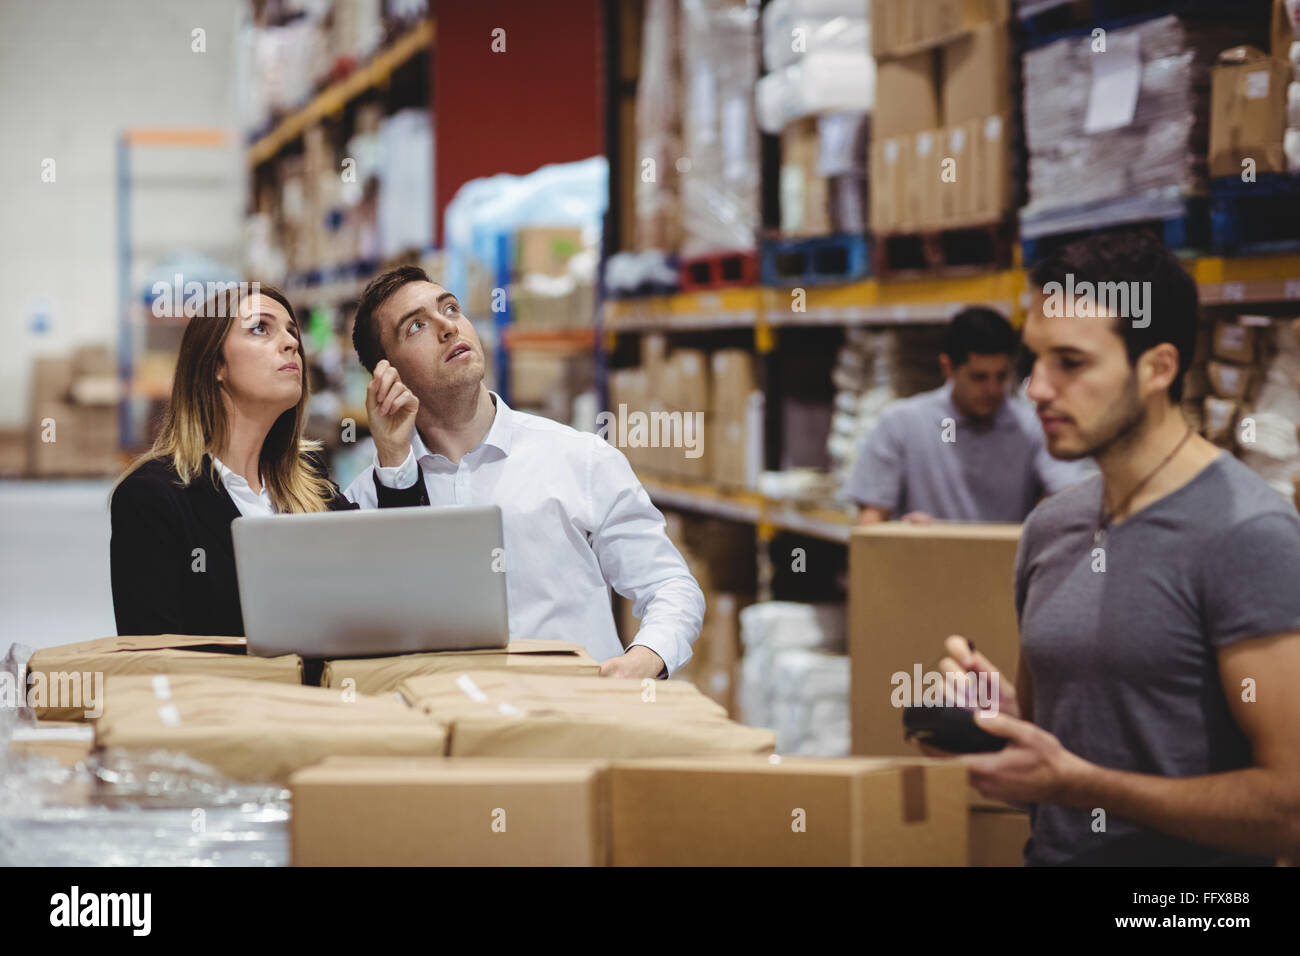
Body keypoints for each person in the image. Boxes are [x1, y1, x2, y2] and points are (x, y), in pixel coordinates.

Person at [933, 230, 1300, 865]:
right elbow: (1060, 760)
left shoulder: (1247, 534)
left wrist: (1079, 783)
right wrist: (1000, 726)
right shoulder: (1053, 526)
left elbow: (1289, 810)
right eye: (1035, 360)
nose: (1036, 390)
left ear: (1157, 367)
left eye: (1070, 363)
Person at [343, 265, 705, 679]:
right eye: (417, 326)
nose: (447, 326)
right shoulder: (367, 501)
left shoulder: (579, 459)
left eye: (451, 308)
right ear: (385, 376)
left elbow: (670, 585)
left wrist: (647, 656)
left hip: (577, 722)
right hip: (452, 729)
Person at [110, 285, 421, 636]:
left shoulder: (310, 484)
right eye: (261, 328)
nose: (291, 343)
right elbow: (153, 661)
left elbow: (394, 588)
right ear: (215, 364)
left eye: (292, 332)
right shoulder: (154, 498)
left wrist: (394, 450)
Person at [847, 307, 1089, 524]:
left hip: (1005, 571)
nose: (993, 390)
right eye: (979, 377)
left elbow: (1071, 496)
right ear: (948, 368)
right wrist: (902, 535)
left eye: (1001, 376)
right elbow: (870, 524)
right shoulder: (901, 424)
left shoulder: (1032, 426)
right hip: (923, 569)